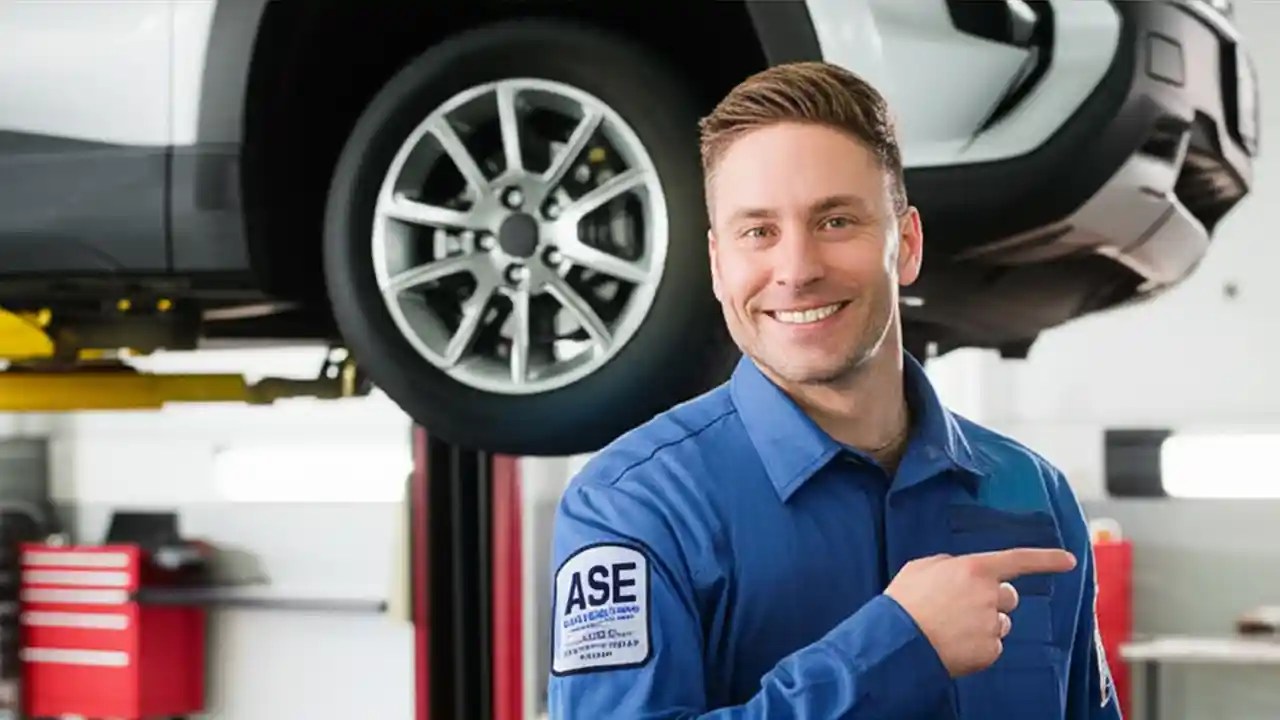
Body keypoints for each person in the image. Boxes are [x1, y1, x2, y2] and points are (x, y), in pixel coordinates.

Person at [546, 61, 1122, 719]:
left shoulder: (1033, 494)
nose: (797, 270)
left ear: (907, 244)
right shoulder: (635, 507)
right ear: (717, 265)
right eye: (758, 232)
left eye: (836, 222)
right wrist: (898, 648)